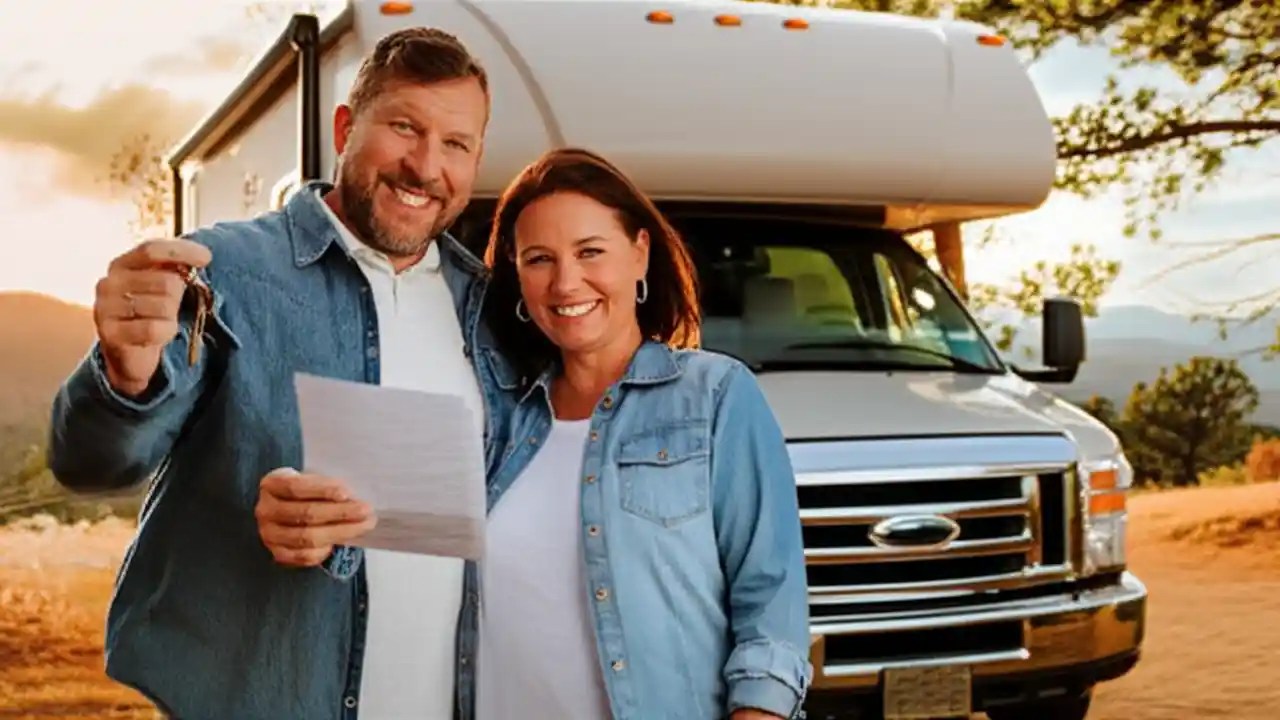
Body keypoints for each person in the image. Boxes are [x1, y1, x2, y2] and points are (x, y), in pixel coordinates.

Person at [46, 27, 514, 720]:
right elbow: (92, 464)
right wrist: (123, 374)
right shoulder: (221, 271)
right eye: (404, 128)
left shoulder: (491, 310)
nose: (424, 166)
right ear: (346, 128)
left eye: (456, 144)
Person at [468, 147, 813, 720]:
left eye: (590, 252)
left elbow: (771, 609)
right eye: (538, 259)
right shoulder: (496, 419)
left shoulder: (716, 395)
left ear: (639, 253)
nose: (565, 282)